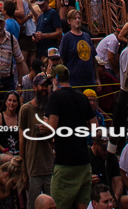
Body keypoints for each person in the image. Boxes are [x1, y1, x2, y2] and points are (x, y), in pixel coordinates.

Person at [45, 65, 95, 209]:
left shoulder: (56, 97)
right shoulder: (82, 96)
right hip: (84, 163)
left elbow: (52, 127)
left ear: (56, 80)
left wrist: (45, 123)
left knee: (57, 206)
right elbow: (95, 126)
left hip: (65, 163)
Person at [19, 73, 55, 207]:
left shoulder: (51, 110)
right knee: (33, 205)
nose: (44, 89)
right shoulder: (25, 109)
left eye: (47, 86)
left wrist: (50, 130)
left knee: (51, 205)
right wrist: (23, 171)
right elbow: (21, 141)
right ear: (34, 87)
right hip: (32, 168)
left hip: (49, 167)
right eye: (41, 86)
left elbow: (56, 138)